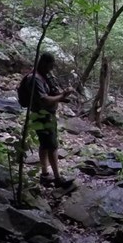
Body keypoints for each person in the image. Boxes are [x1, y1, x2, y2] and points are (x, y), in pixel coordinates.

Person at [17, 52, 74, 187]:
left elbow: (51, 94)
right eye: (50, 66)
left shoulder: (43, 76)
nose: (51, 69)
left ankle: (45, 175)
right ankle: (57, 178)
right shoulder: (35, 79)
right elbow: (44, 99)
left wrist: (62, 96)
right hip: (42, 116)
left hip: (45, 115)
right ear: (43, 63)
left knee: (44, 145)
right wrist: (61, 97)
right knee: (52, 146)